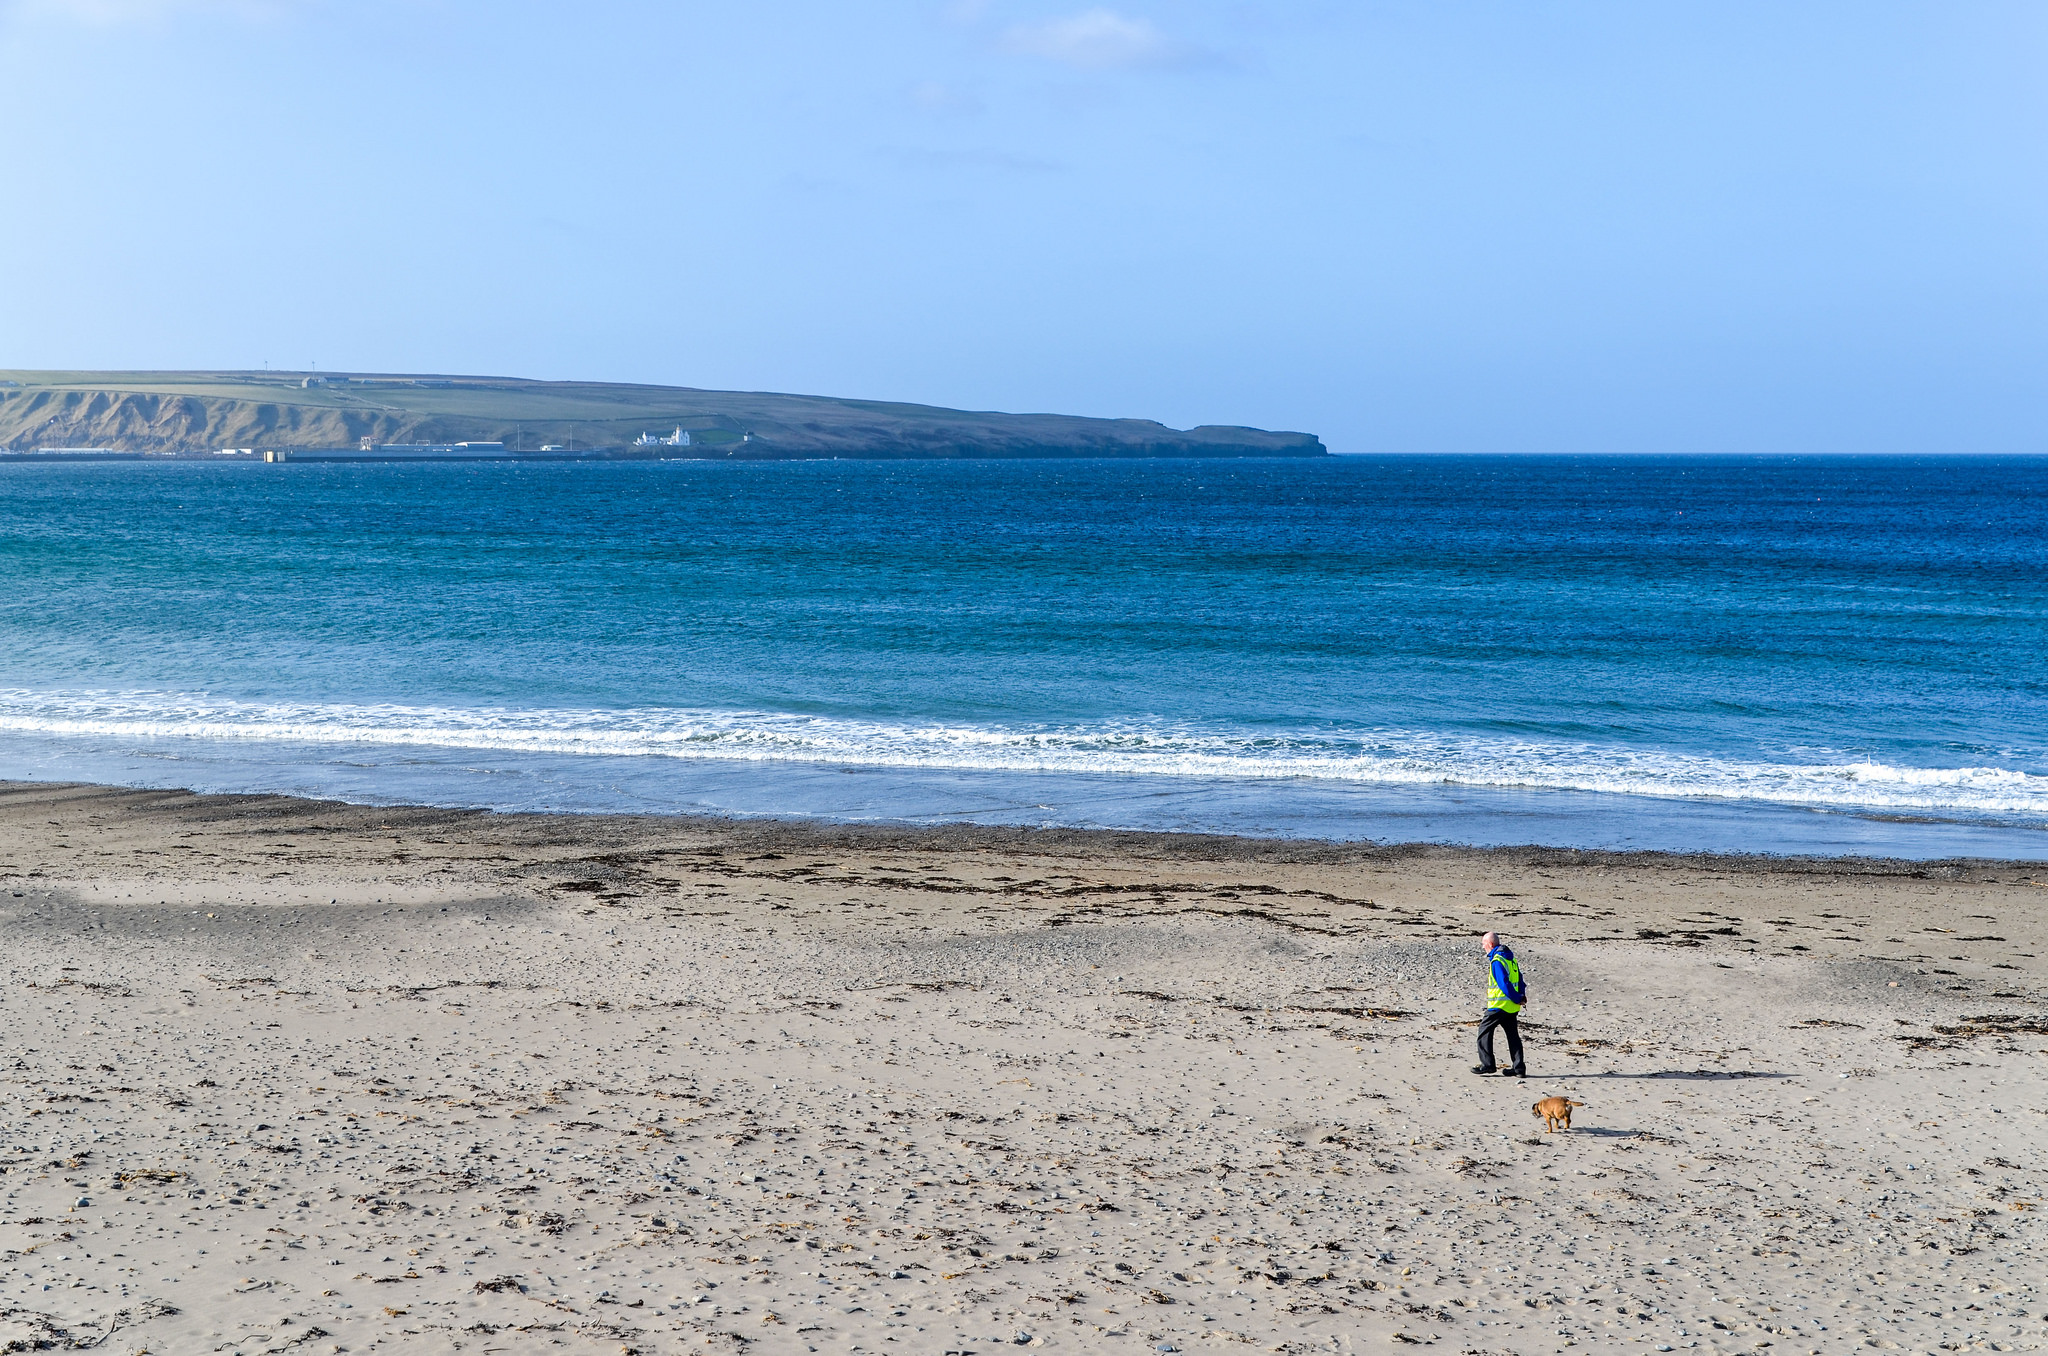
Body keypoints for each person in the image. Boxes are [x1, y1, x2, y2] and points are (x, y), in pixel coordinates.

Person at [1471, 930, 1527, 1077]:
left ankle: (1488, 1064)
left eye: (1484, 944)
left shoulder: (1497, 961)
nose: (1483, 947)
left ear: (1490, 944)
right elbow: (1520, 978)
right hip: (1511, 1007)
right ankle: (1519, 1068)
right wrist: (1521, 995)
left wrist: (1516, 997)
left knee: (1484, 1031)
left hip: (1499, 1006)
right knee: (1513, 1036)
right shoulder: (1510, 958)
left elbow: (1504, 984)